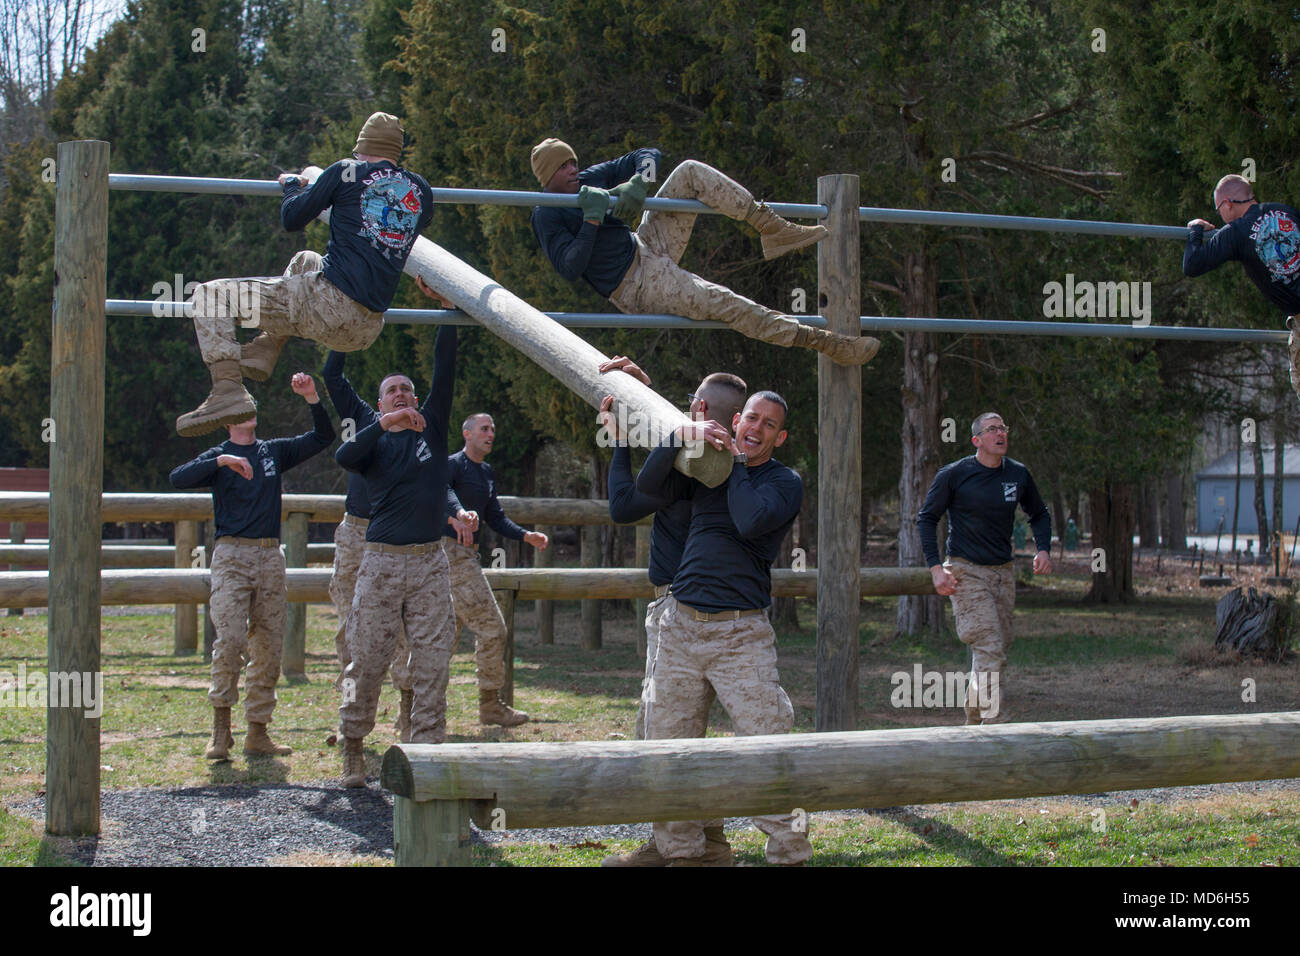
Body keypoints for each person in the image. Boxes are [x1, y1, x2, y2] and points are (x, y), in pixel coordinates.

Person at [608, 390, 811, 867]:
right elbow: (644, 489)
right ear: (737, 420)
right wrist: (680, 435)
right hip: (680, 627)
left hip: (740, 634)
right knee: (668, 747)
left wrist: (735, 463)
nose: (756, 428)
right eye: (751, 419)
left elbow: (749, 519)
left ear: (779, 437)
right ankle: (684, 855)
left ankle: (789, 855)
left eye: (769, 425)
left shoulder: (783, 482)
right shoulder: (706, 469)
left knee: (768, 745)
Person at [177, 111, 434, 437]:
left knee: (210, 295)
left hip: (328, 306)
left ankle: (228, 391)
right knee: (306, 260)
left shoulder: (347, 171)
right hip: (367, 327)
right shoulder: (421, 190)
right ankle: (266, 348)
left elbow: (293, 218)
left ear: (362, 149)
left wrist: (291, 187)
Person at [529, 138, 879, 366]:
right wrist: (591, 221)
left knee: (689, 172)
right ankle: (827, 343)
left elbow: (647, 154)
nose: (573, 169)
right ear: (547, 176)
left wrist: (641, 180)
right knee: (723, 301)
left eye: (572, 161)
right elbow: (569, 268)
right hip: (634, 284)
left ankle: (771, 227)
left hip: (646, 244)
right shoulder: (547, 212)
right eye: (563, 167)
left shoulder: (589, 179)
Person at [597, 355, 747, 867]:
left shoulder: (693, 463)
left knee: (665, 732)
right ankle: (706, 843)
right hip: (725, 612)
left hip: (675, 607)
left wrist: (620, 439)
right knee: (690, 728)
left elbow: (623, 506)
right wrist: (641, 396)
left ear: (700, 408)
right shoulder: (738, 461)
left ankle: (679, 848)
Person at [169, 373, 335, 760]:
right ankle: (221, 731)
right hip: (231, 556)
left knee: (268, 645)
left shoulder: (272, 452)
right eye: (240, 406)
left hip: (269, 556)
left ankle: (257, 732)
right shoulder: (217, 456)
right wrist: (222, 461)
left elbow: (322, 438)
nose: (250, 410)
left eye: (251, 404)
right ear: (228, 417)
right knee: (229, 639)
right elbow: (177, 478)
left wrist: (312, 398)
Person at [322, 276, 451, 742]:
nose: (401, 393)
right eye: (392, 390)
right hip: (379, 559)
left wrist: (446, 310)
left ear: (416, 400)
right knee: (367, 656)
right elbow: (345, 456)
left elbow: (446, 368)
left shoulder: (431, 432)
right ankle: (353, 739)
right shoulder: (369, 439)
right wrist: (351, 318)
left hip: (428, 561)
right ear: (379, 403)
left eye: (407, 390)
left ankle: (426, 749)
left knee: (433, 659)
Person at [917, 412, 1052, 725]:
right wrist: (936, 569)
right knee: (989, 645)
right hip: (966, 571)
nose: (1000, 433)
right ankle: (994, 724)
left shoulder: (1017, 474)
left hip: (1003, 573)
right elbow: (926, 519)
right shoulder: (954, 474)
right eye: (992, 429)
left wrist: (1042, 548)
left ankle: (974, 726)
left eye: (1003, 427)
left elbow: (1039, 513)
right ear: (977, 440)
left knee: (995, 651)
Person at [442, 413, 549, 727]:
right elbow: (436, 499)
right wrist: (455, 516)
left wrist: (525, 535)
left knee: (444, 637)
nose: (491, 434)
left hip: (468, 556)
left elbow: (496, 516)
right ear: (467, 433)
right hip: (448, 557)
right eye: (484, 429)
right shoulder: (452, 466)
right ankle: (488, 706)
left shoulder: (486, 472)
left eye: (493, 429)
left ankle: (418, 710)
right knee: (492, 628)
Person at [1183, 174, 1300, 397]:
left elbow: (1192, 265)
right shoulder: (1286, 211)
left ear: (1227, 204)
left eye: (1219, 209)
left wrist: (1196, 229)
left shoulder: (1236, 232)